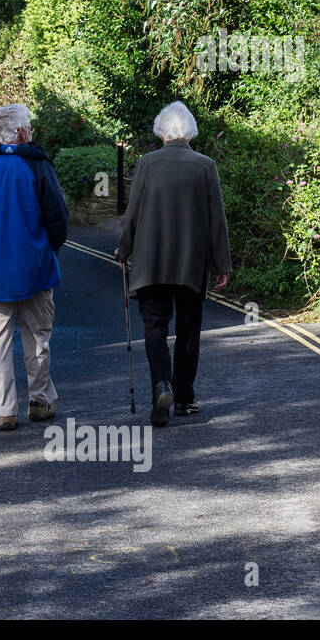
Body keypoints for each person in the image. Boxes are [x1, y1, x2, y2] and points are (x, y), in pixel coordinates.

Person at [116, 100, 232, 427]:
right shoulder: (205, 165)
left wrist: (123, 249)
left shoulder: (147, 164)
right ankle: (183, 398)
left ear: (162, 132)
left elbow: (132, 215)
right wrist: (221, 264)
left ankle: (161, 386)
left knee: (154, 328)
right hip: (190, 267)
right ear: (190, 131)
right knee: (188, 330)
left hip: (151, 265)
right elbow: (216, 221)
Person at [0, 105, 69, 430]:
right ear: (21, 133)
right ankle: (39, 401)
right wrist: (50, 249)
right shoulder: (37, 167)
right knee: (37, 338)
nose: (32, 131)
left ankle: (6, 410)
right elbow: (58, 218)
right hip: (33, 269)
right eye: (30, 126)